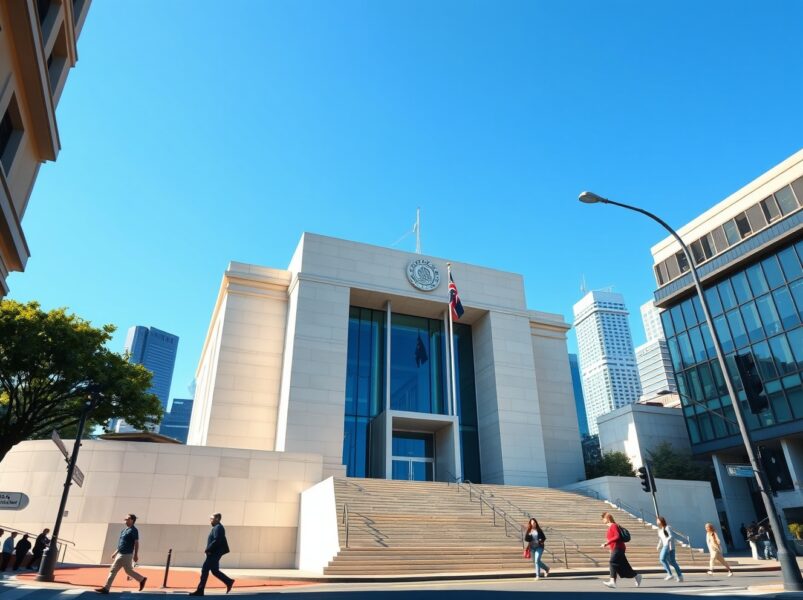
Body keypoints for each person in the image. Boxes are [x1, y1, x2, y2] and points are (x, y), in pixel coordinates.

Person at [95, 514, 147, 594]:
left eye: (127, 519)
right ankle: (142, 579)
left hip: (126, 554)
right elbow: (121, 544)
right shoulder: (124, 530)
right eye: (125, 519)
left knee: (114, 570)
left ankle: (106, 588)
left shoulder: (134, 530)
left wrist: (136, 554)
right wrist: (115, 552)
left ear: (132, 520)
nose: (125, 520)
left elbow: (136, 543)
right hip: (120, 554)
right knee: (128, 571)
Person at [189, 513, 235, 596]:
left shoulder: (218, 528)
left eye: (211, 518)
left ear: (217, 519)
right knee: (214, 571)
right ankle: (228, 581)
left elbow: (217, 540)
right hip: (215, 553)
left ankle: (200, 590)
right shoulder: (217, 527)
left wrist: (208, 549)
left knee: (205, 569)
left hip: (214, 553)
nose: (210, 520)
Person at [600, 512, 642, 589]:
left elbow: (617, 536)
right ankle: (636, 576)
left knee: (612, 562)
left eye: (603, 518)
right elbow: (614, 539)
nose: (602, 520)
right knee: (624, 566)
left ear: (608, 518)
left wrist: (606, 543)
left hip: (618, 548)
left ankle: (612, 582)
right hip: (617, 548)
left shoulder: (613, 525)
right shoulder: (611, 527)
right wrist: (611, 549)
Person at [656, 516, 683, 582]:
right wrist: (658, 545)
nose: (656, 521)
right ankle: (680, 576)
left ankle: (670, 574)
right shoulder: (659, 530)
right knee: (672, 562)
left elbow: (671, 536)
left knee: (662, 559)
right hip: (667, 546)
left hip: (668, 546)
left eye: (658, 520)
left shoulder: (667, 527)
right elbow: (661, 539)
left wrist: (667, 542)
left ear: (661, 521)